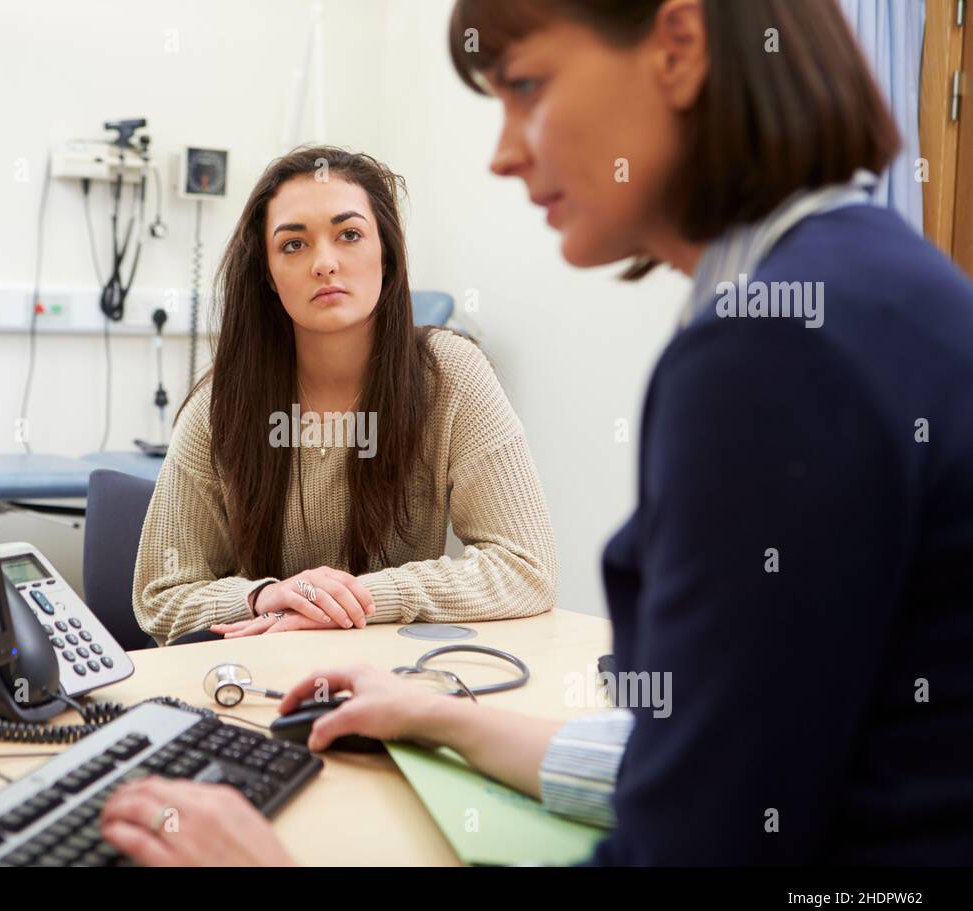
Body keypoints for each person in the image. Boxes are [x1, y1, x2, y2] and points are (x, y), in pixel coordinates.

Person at [101, 0, 973, 865]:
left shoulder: (770, 345)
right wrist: (436, 714)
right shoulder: (871, 287)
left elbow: (699, 837)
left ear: (678, 47)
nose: (505, 153)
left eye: (527, 87)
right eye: (293, 245)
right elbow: (728, 764)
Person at [131, 146, 558, 646]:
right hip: (266, 679)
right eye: (293, 245)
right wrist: (262, 597)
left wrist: (357, 600)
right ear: (268, 275)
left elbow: (526, 567)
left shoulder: (451, 375)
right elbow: (161, 596)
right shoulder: (222, 403)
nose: (325, 263)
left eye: (349, 234)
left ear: (387, 254)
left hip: (398, 682)